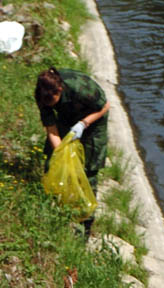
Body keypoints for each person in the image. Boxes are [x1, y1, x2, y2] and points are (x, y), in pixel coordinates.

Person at [35, 67, 109, 238]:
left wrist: (84, 123)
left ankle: (85, 225)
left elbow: (104, 106)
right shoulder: (42, 95)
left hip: (93, 119)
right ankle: (52, 210)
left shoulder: (81, 88)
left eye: (53, 100)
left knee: (88, 170)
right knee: (52, 162)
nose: (49, 104)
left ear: (60, 90)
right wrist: (62, 153)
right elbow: (51, 128)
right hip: (66, 118)